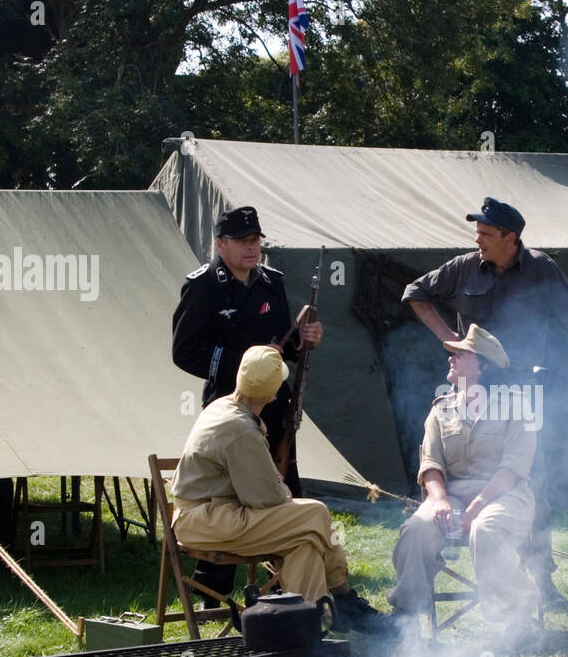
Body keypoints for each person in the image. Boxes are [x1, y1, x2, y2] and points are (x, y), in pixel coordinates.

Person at [402, 197, 568, 609]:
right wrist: (448, 340)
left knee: (530, 481)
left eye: (487, 234)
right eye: (476, 233)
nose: (479, 241)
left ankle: (541, 580)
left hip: (521, 390)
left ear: (511, 238)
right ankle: (436, 556)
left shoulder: (541, 268)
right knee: (454, 466)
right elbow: (416, 293)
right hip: (471, 386)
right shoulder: (462, 267)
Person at [170, 345, 390, 634]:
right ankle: (344, 597)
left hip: (211, 513)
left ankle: (308, 629)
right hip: (206, 521)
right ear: (273, 394)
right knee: (315, 513)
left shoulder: (223, 406)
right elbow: (263, 499)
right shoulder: (242, 430)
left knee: (305, 542)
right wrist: (282, 489)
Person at [171, 205, 323, 605]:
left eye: (256, 240)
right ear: (221, 245)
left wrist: (304, 338)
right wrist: (245, 363)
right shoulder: (203, 285)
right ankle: (213, 596)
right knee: (228, 496)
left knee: (284, 487)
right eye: (243, 241)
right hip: (229, 405)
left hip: (274, 405)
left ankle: (292, 596)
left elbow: (285, 345)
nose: (252, 248)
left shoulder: (272, 282)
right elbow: (185, 352)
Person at [387, 325, 539, 635]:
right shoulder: (441, 409)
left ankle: (515, 618)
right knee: (417, 529)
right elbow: (430, 464)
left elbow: (512, 468)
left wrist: (479, 505)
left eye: (461, 354)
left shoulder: (517, 407)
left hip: (506, 495)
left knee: (486, 528)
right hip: (452, 495)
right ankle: (405, 617)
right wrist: (439, 500)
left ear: (484, 366)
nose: (451, 358)